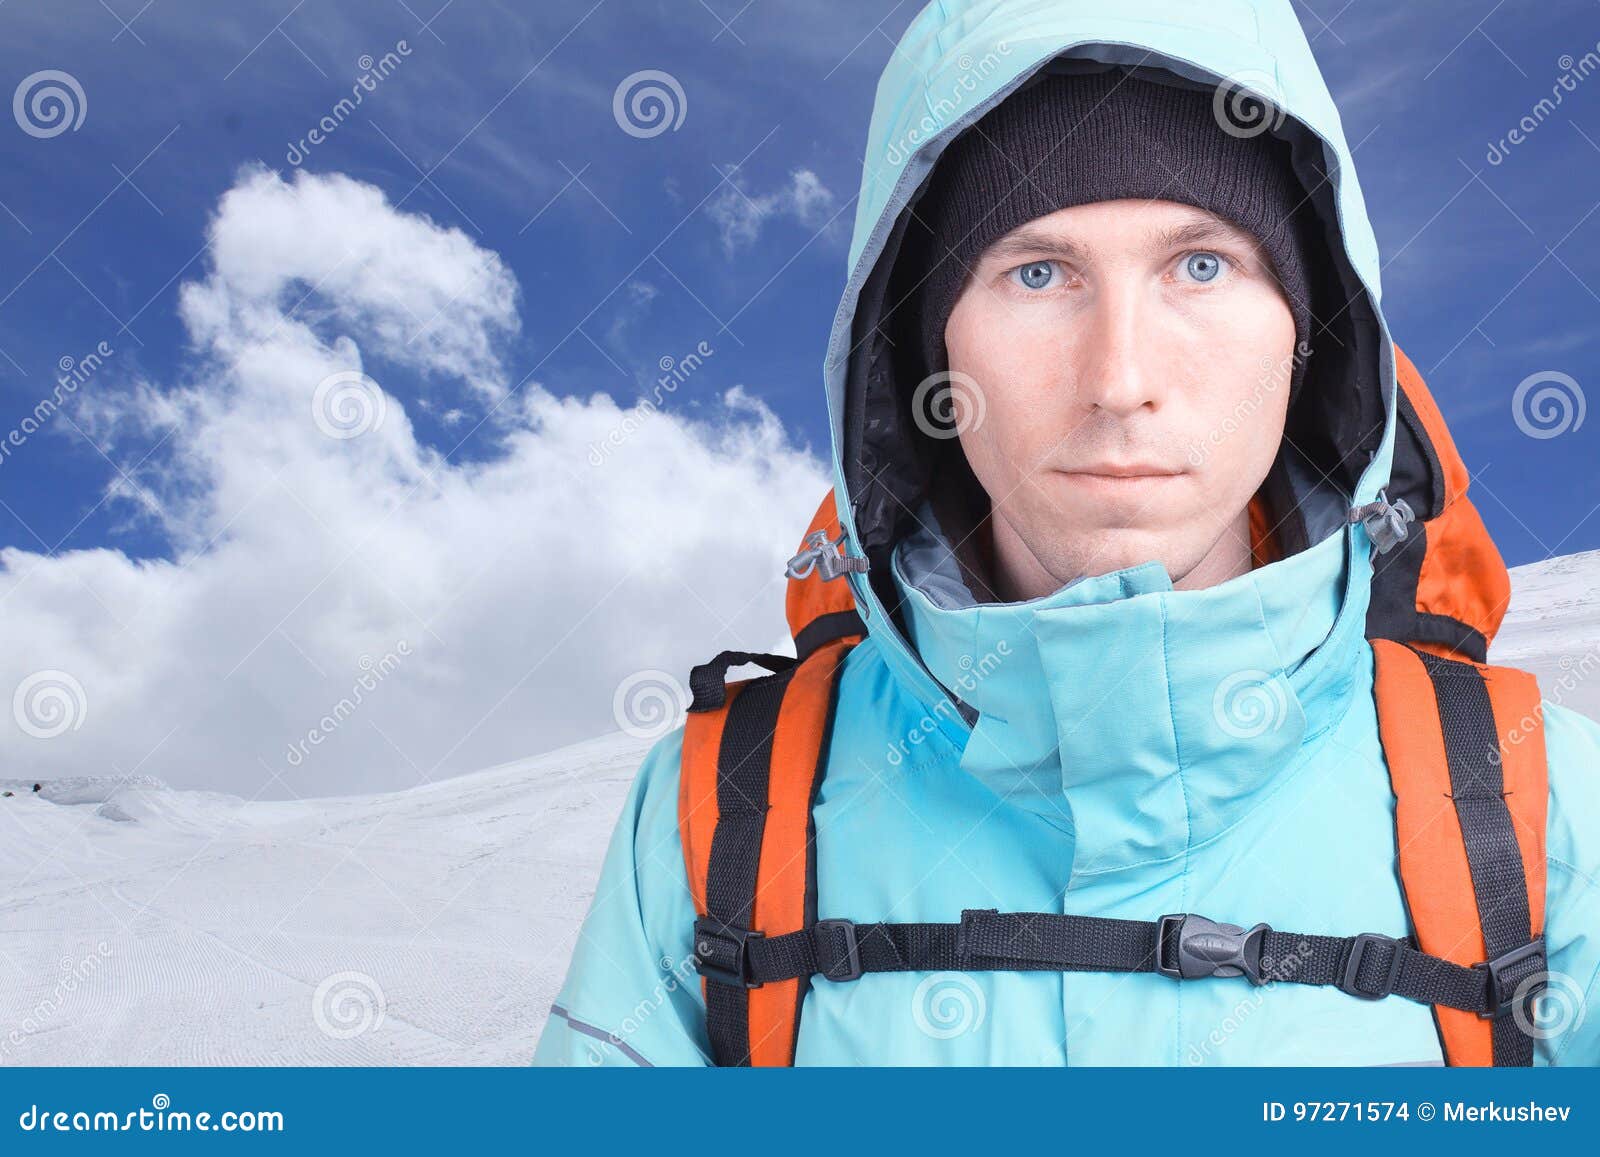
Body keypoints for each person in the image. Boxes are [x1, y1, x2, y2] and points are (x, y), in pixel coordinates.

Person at [534, 0, 1600, 1066]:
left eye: (1201, 265)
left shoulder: (1548, 807)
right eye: (1035, 273)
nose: (1119, 379)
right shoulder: (719, 808)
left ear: (1307, 336)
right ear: (923, 351)